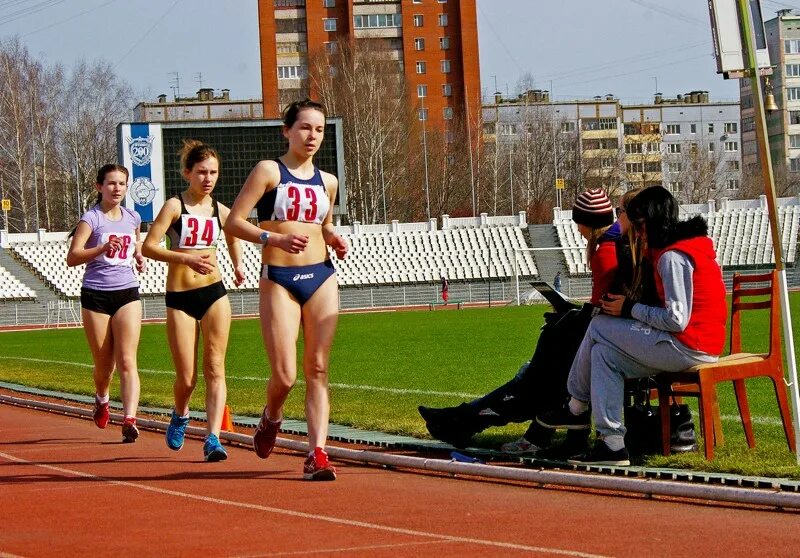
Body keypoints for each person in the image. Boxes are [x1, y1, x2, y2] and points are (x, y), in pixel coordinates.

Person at [419, 187, 639, 456]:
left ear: (584, 222)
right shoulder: (616, 245)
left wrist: (570, 319)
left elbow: (600, 310)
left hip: (603, 339)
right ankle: (464, 419)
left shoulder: (607, 251)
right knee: (538, 371)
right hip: (606, 336)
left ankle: (466, 421)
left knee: (535, 377)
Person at [537, 186, 726, 466]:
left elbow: (676, 319)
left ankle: (574, 406)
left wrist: (629, 308)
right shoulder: (682, 247)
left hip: (689, 345)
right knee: (604, 355)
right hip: (691, 343)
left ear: (654, 220)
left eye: (639, 225)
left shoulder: (673, 257)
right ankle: (612, 445)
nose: (637, 233)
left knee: (599, 325)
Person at [224, 99, 349, 481]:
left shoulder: (329, 181)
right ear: (287, 130)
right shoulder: (269, 171)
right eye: (305, 128)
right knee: (285, 375)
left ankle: (317, 454)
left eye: (319, 129)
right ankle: (271, 416)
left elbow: (322, 225)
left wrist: (333, 237)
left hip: (322, 276)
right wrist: (272, 239)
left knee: (318, 368)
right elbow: (233, 222)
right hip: (279, 278)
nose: (312, 136)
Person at [142, 140, 244, 462]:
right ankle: (181, 413)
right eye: (202, 172)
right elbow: (148, 246)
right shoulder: (175, 207)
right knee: (186, 378)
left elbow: (235, 230)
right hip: (181, 297)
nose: (208, 178)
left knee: (215, 367)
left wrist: (237, 262)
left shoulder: (219, 209)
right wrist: (184, 260)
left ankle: (213, 437)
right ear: (188, 173)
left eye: (213, 172)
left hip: (214, 292)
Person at [67, 164, 145, 444]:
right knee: (104, 366)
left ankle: (130, 419)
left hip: (127, 292)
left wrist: (138, 255)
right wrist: (101, 249)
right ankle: (102, 399)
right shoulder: (92, 219)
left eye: (122, 184)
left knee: (127, 360)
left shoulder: (133, 217)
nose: (117, 189)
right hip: (96, 295)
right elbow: (72, 257)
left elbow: (135, 243)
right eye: (111, 183)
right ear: (99, 187)